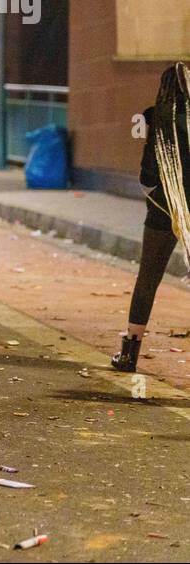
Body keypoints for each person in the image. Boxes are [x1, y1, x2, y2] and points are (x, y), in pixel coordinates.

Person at [113, 64, 190, 372]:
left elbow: (147, 172)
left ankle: (130, 352)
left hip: (162, 211)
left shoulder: (152, 117)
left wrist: (158, 198)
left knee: (148, 278)